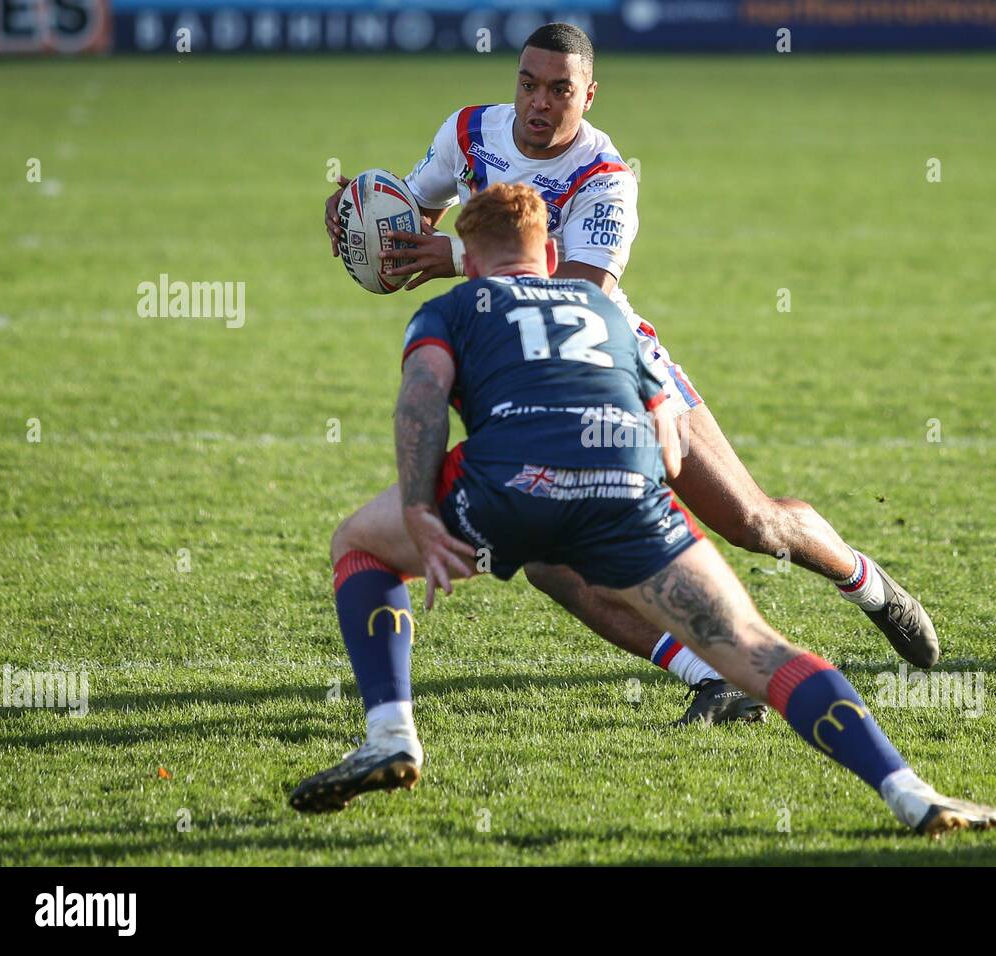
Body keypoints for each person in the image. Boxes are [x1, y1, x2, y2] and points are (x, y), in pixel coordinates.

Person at [292, 183, 996, 839]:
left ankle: (391, 733)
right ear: (547, 254)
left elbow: (421, 395)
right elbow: (668, 426)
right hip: (626, 494)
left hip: (505, 489)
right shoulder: (608, 309)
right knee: (760, 650)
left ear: (470, 262)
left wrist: (420, 511)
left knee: (359, 544)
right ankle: (910, 792)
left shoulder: (451, 305)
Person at [323, 23, 941, 726]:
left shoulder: (605, 177)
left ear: (589, 94)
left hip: (613, 363)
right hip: (521, 375)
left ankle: (865, 583)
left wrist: (455, 259)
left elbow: (581, 289)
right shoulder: (467, 134)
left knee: (752, 523)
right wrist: (361, 222)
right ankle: (713, 676)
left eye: (561, 89)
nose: (540, 103)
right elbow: (412, 209)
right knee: (550, 561)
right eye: (529, 84)